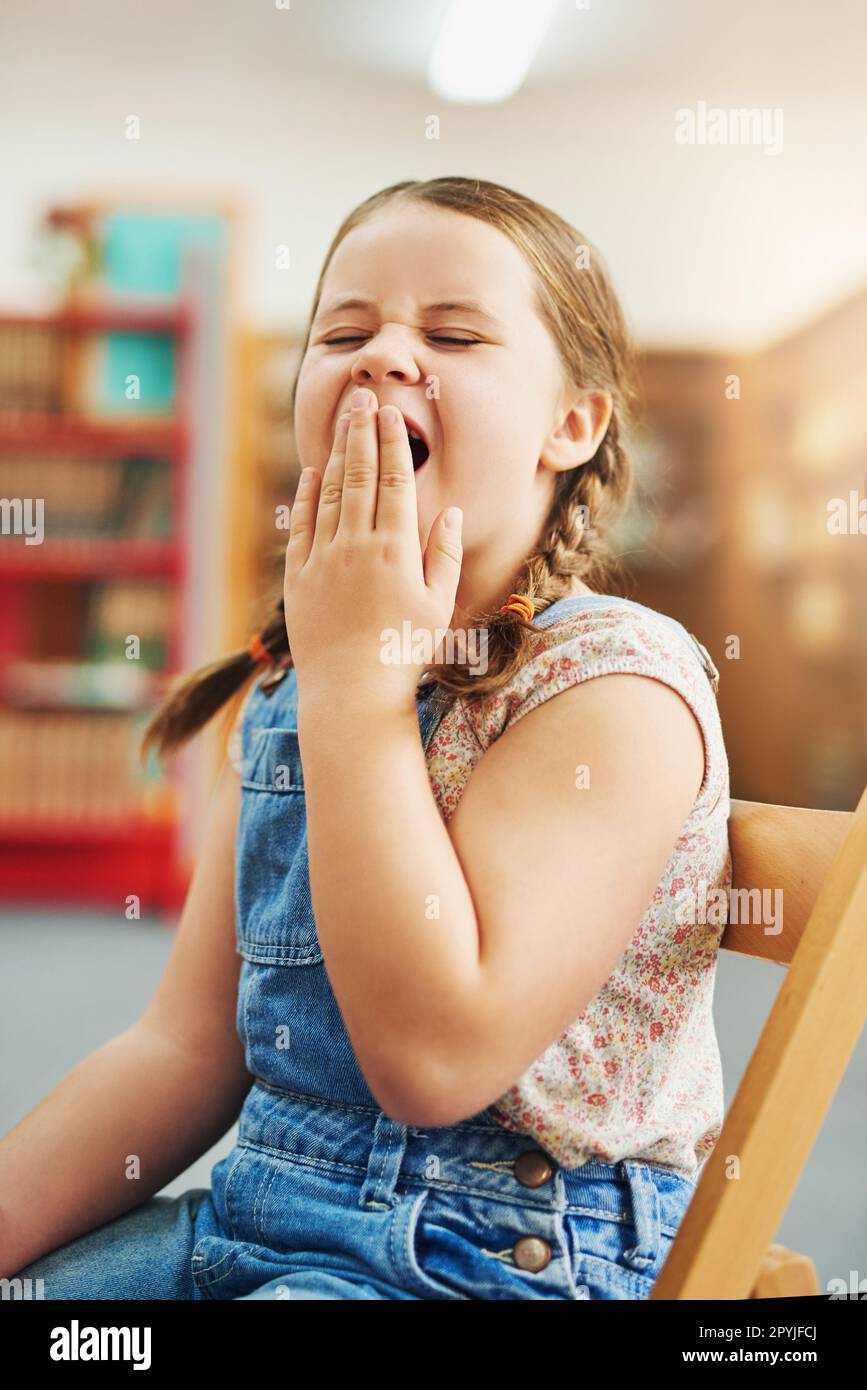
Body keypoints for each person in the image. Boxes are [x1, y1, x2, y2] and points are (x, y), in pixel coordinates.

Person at [2, 176, 730, 1300]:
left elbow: (433, 1061)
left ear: (571, 424)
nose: (384, 355)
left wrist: (360, 687)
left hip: (492, 1256)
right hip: (255, 1219)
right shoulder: (301, 684)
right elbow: (183, 1051)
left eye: (452, 332)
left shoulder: (614, 688)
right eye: (344, 331)